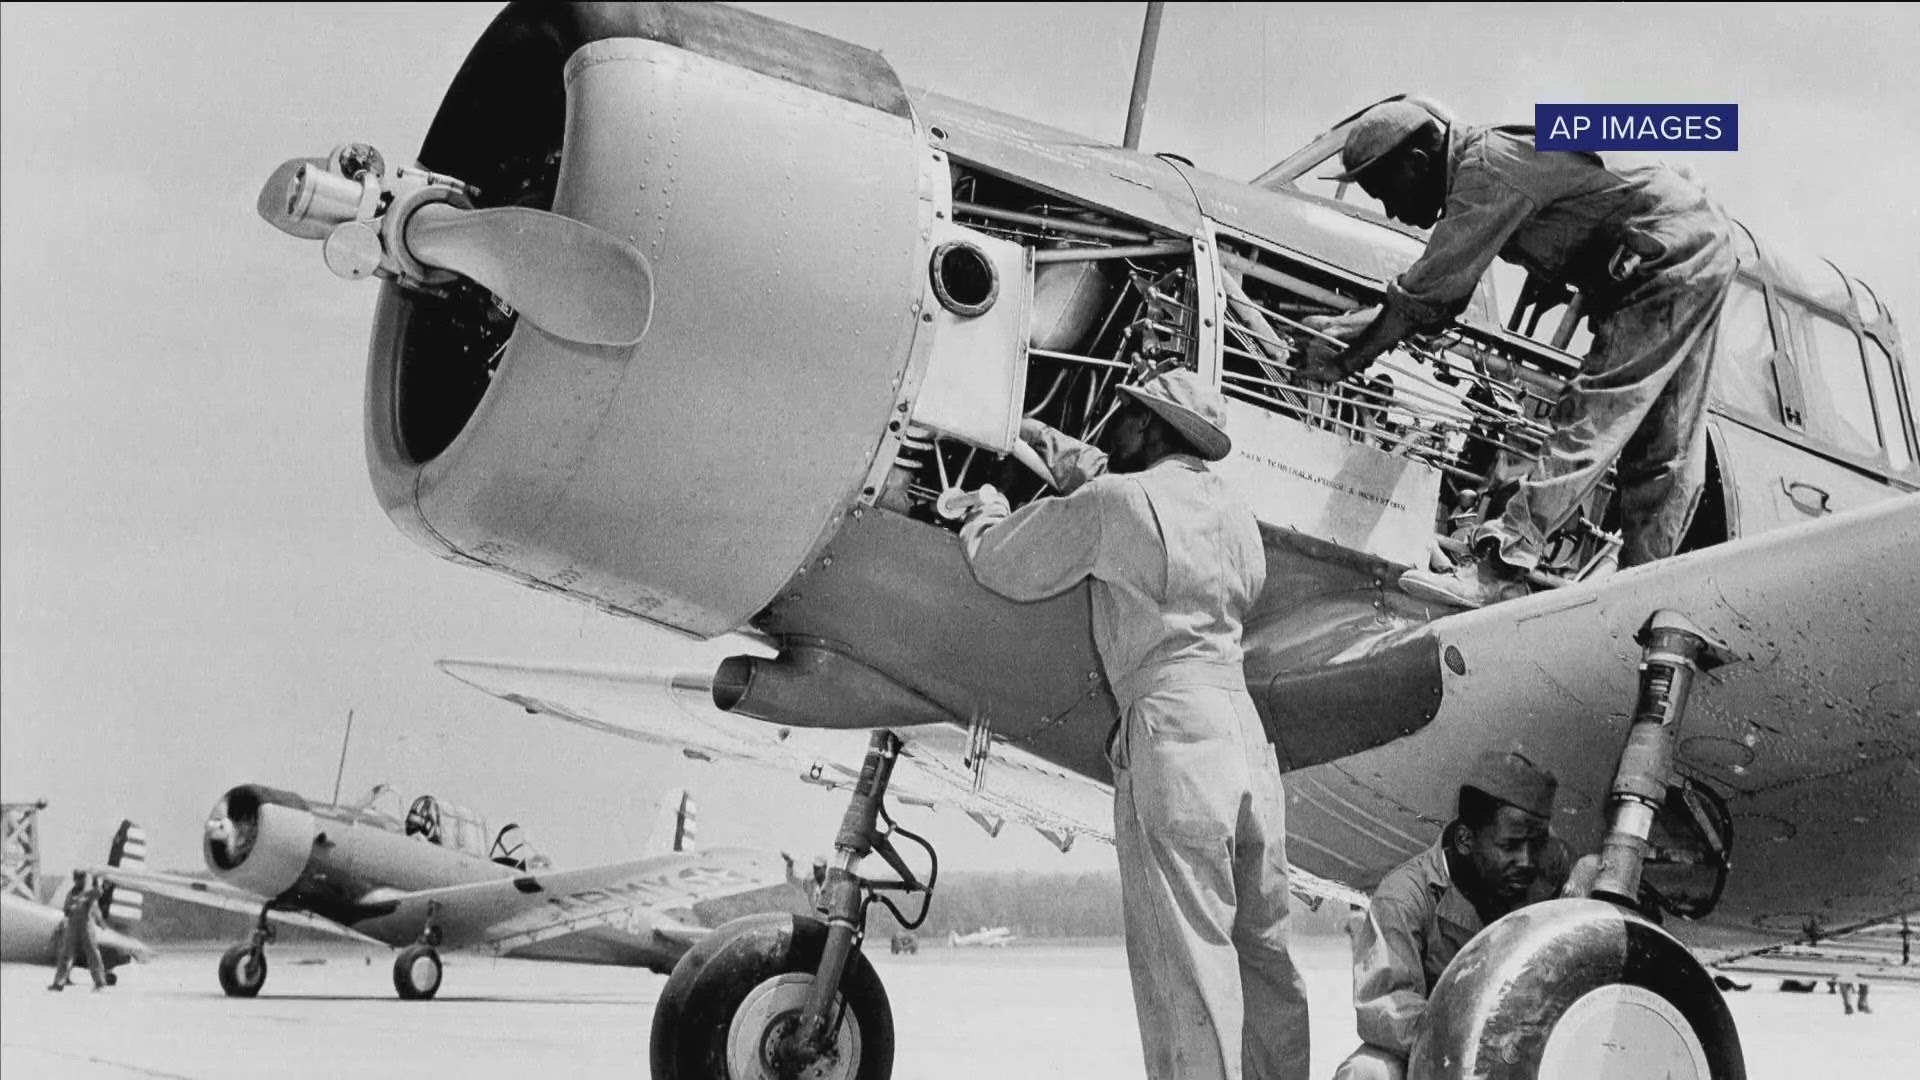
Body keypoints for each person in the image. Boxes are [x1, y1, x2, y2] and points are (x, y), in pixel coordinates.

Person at [958, 369, 1310, 1080]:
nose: (1107, 425)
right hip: (1244, 736)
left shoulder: (1117, 504)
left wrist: (980, 512)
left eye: (1122, 414)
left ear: (1150, 428)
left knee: (1185, 963)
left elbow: (1007, 565)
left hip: (1174, 734)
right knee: (1262, 952)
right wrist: (1042, 442)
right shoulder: (1232, 514)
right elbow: (1112, 484)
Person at [1298, 100, 1737, 608]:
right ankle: (1649, 595)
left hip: (1662, 257)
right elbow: (1430, 300)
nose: (1393, 213)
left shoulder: (1485, 167)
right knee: (1664, 447)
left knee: (1592, 415)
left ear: (1418, 161)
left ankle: (1502, 564)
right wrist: (1346, 328)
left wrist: (1343, 361)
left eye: (1386, 193)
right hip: (1698, 244)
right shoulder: (1492, 153)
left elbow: (1430, 295)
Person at [1332, 749, 1569, 1080]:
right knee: (1368, 1072)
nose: (1528, 860)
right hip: (1436, 1048)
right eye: (1510, 845)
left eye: (1537, 843)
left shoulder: (1545, 866)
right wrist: (1476, 1046)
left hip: (1526, 1043)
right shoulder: (1403, 897)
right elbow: (1386, 1007)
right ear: (1464, 840)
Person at [48, 870, 109, 992]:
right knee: (65, 954)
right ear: (74, 879)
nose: (79, 880)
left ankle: (100, 982)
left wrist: (96, 879)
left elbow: (98, 892)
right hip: (72, 927)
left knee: (92, 954)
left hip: (86, 927)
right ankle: (59, 982)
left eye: (82, 878)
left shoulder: (89, 893)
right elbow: (65, 910)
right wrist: (71, 909)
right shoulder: (70, 894)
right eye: (77, 878)